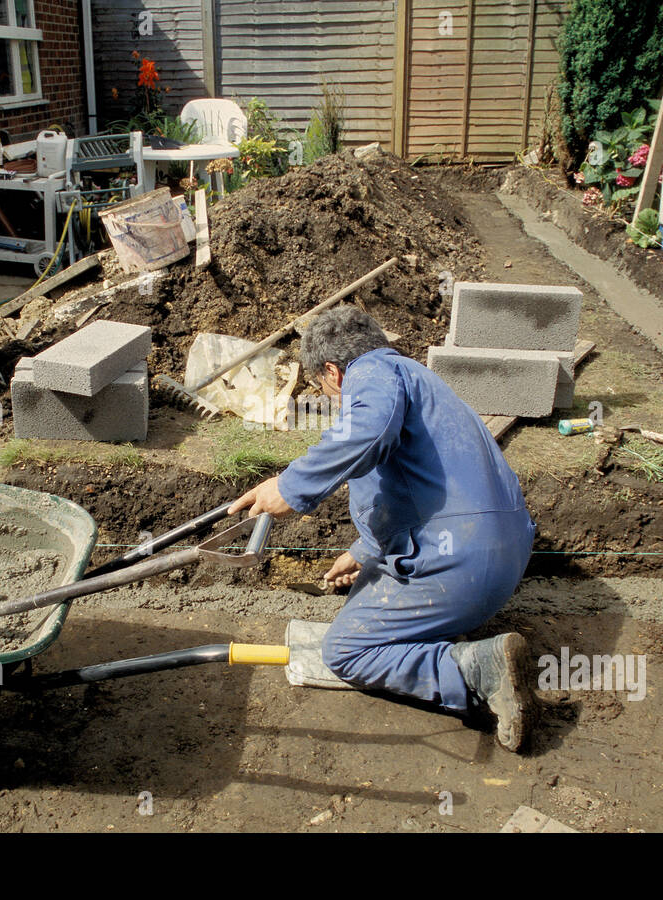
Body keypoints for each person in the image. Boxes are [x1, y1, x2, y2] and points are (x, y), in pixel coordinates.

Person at [228, 306, 540, 752]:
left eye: (323, 389)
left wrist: (290, 487)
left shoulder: (372, 373)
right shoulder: (415, 379)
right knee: (367, 601)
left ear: (332, 372)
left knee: (346, 652)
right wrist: (365, 551)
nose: (334, 401)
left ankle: (477, 670)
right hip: (503, 555)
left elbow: (367, 431)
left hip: (464, 567)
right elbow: (407, 487)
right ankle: (448, 634)